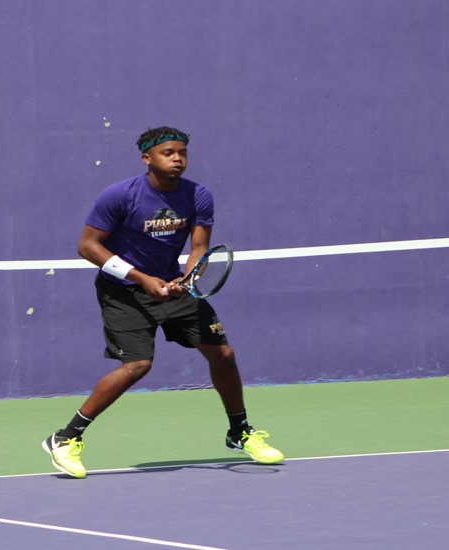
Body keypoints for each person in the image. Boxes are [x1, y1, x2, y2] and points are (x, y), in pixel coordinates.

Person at [41, 126, 284, 478]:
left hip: (172, 284)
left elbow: (198, 248)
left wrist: (189, 279)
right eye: (168, 153)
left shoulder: (198, 195)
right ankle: (65, 438)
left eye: (182, 153)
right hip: (123, 291)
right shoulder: (119, 195)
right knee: (137, 366)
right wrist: (141, 278)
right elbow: (88, 246)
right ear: (147, 158)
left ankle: (240, 432)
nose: (177, 159)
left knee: (223, 354)